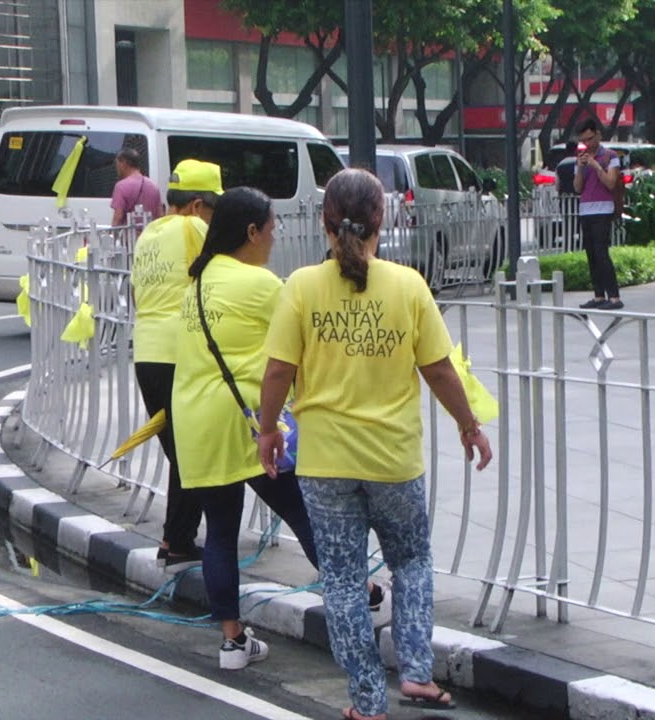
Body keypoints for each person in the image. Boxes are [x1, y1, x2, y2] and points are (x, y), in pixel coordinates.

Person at [256, 168, 493, 720]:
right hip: (394, 460)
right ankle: (416, 672)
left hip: (325, 463)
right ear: (383, 219)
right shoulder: (408, 286)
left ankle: (366, 701)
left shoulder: (301, 287)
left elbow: (278, 371)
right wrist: (469, 425)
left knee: (342, 579)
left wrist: (268, 431)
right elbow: (438, 369)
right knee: (411, 562)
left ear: (325, 222)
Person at [171, 186, 324, 670]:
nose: (275, 239)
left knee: (220, 531)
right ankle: (361, 594)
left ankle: (232, 642)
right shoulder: (260, 285)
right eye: (272, 229)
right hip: (249, 422)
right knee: (303, 511)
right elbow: (300, 348)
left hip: (195, 419)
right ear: (252, 232)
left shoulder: (196, 283)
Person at [130, 159, 224, 565]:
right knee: (193, 450)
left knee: (182, 450)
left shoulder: (148, 235)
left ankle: (176, 542)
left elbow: (137, 295)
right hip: (179, 354)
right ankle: (184, 541)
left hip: (146, 353)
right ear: (198, 205)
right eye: (215, 209)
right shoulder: (195, 229)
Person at [572, 118, 624, 310]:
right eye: (583, 140)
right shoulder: (580, 158)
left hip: (603, 209)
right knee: (591, 254)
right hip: (586, 210)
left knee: (602, 253)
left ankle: (614, 297)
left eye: (590, 138)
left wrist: (595, 165)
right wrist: (580, 167)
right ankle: (598, 295)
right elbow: (577, 188)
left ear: (598, 135)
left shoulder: (610, 156)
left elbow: (611, 182)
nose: (587, 143)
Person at [111, 147, 163, 226]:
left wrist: (112, 231)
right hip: (150, 232)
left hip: (130, 233)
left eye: (117, 164)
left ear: (124, 163)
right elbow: (160, 215)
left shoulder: (120, 186)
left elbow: (118, 217)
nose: (117, 168)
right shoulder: (153, 186)